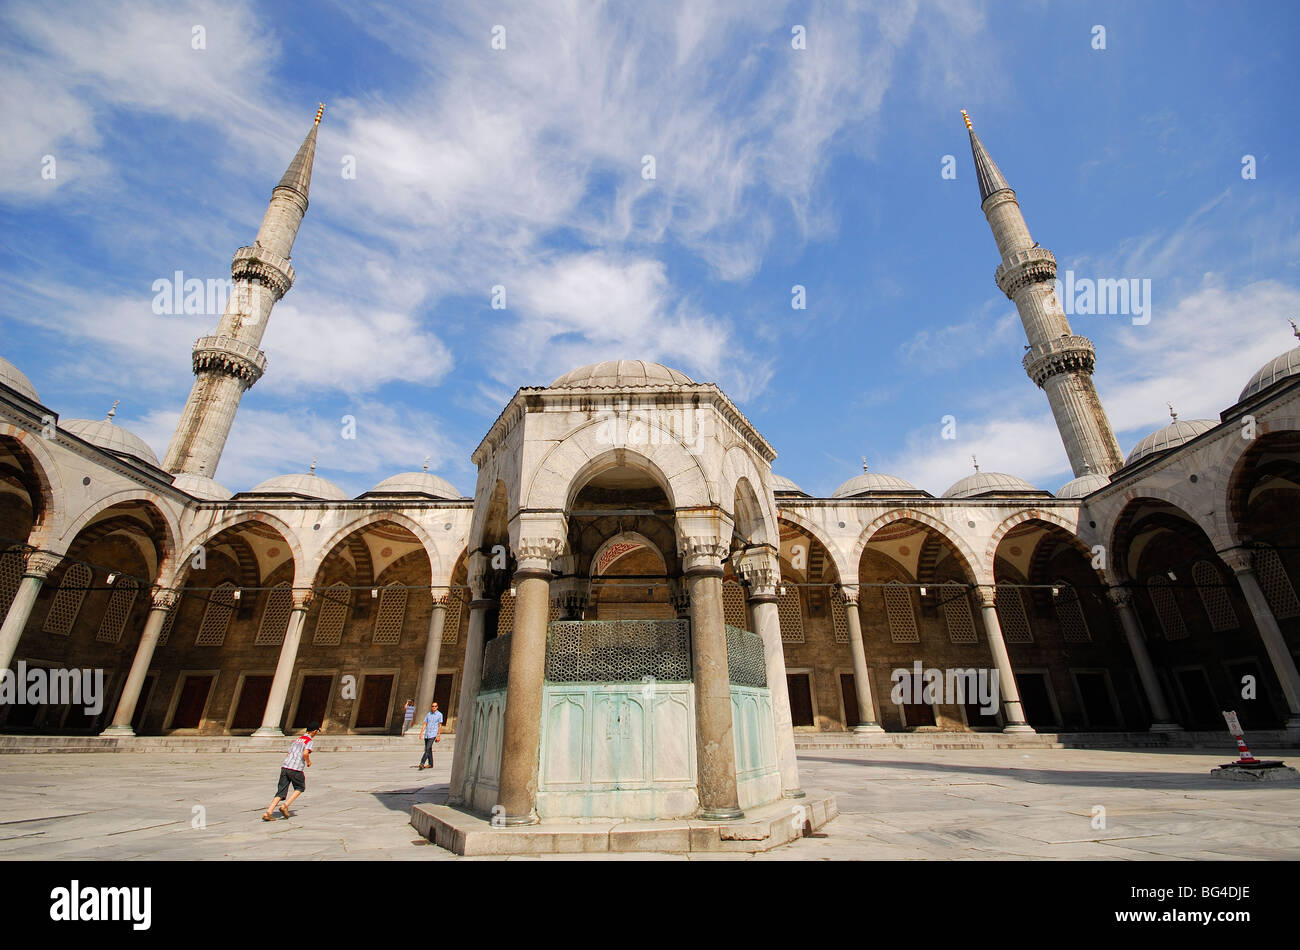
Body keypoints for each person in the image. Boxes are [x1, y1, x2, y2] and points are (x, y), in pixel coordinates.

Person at [262, 722, 321, 820]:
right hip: (296, 768)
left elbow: (289, 753)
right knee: (300, 787)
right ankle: (285, 805)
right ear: (315, 731)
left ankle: (269, 811)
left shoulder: (297, 739)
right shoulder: (309, 740)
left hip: (285, 766)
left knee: (281, 791)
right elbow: (305, 753)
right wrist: (308, 762)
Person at [417, 702, 443, 770]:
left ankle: (422, 763)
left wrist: (438, 735)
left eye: (435, 706)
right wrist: (421, 733)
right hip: (427, 734)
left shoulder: (439, 714)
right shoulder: (428, 714)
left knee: (427, 749)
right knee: (429, 749)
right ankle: (431, 764)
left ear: (437, 707)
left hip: (433, 734)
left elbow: (440, 725)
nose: (434, 707)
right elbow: (425, 723)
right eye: (433, 706)